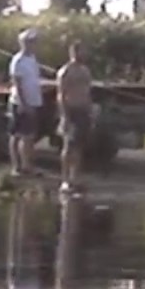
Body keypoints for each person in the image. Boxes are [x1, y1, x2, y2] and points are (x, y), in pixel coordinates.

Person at [55, 41, 94, 194]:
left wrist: (90, 110)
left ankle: (75, 178)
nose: (83, 54)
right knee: (68, 146)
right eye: (80, 51)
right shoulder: (65, 71)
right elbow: (61, 95)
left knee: (79, 146)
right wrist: (64, 116)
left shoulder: (85, 71)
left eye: (84, 51)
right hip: (70, 110)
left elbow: (87, 92)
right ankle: (65, 180)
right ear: (73, 52)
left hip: (83, 111)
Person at [8, 27, 44, 178]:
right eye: (30, 41)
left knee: (29, 136)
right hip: (21, 102)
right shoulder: (18, 60)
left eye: (34, 41)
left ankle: (28, 166)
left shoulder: (32, 59)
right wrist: (24, 104)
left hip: (33, 101)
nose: (33, 44)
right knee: (18, 135)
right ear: (23, 43)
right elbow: (17, 83)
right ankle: (17, 167)